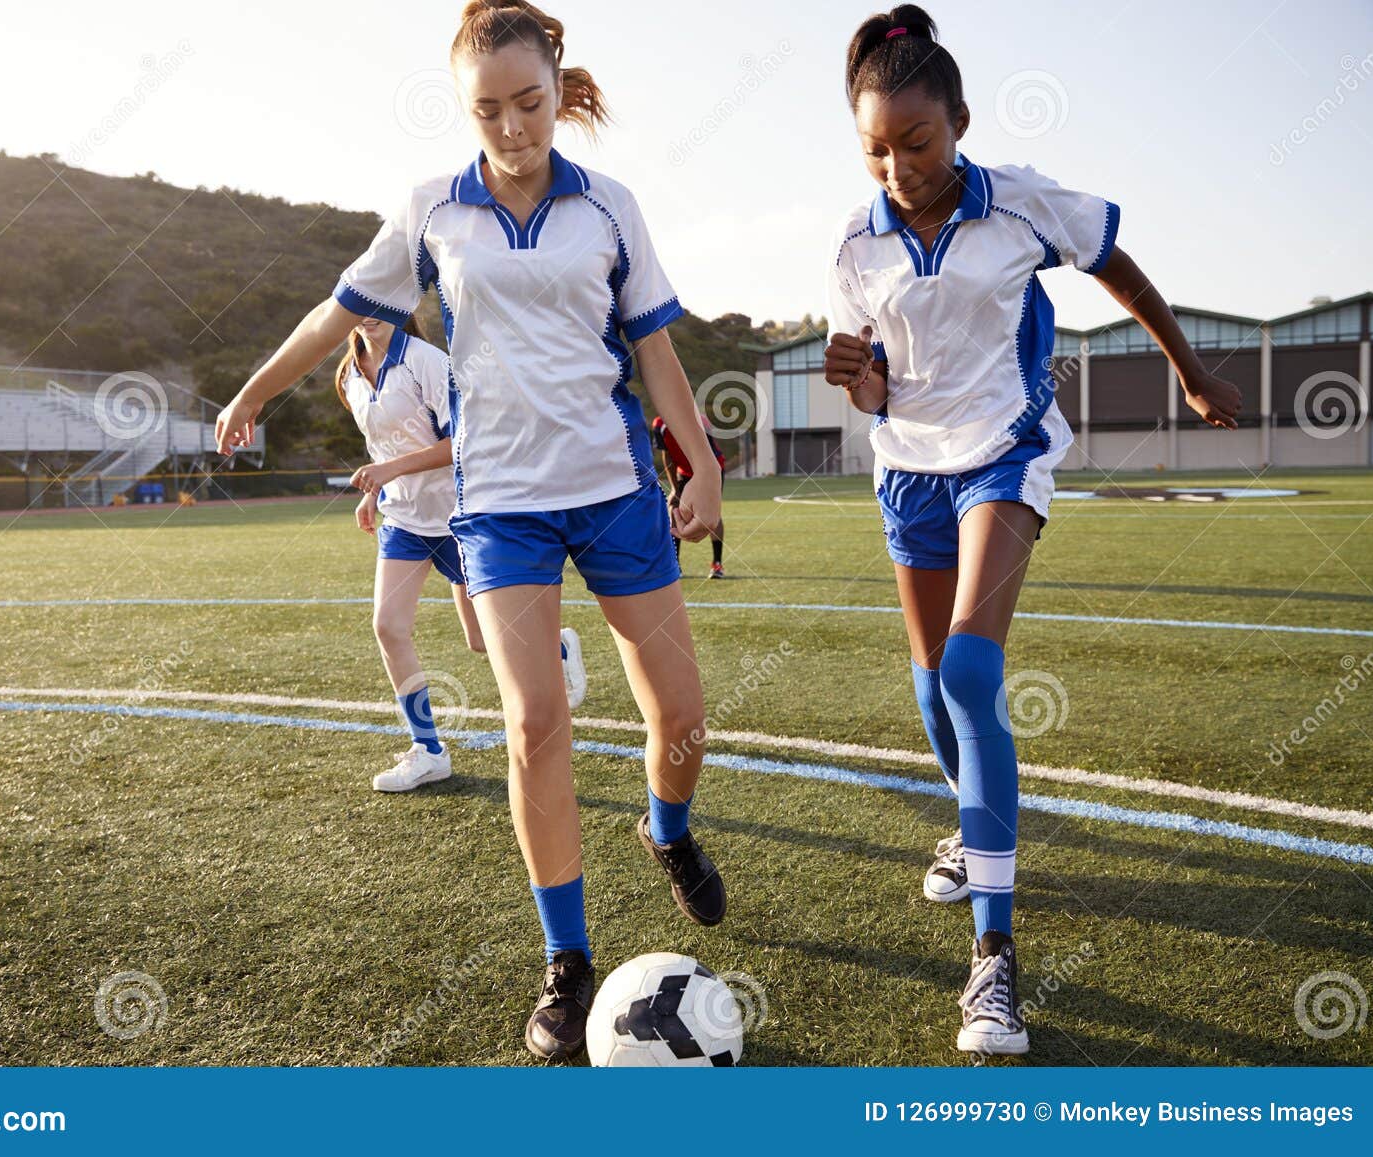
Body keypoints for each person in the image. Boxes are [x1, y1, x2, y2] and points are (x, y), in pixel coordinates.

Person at [216, 0, 727, 1062]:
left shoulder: (611, 206)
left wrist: (705, 464)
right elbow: (332, 311)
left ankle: (666, 829)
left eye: (529, 103)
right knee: (536, 718)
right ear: (465, 109)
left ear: (557, 88)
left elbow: (658, 357)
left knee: (680, 715)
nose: (511, 127)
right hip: (497, 502)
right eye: (487, 109)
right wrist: (256, 390)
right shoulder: (430, 210)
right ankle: (566, 961)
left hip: (615, 485)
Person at [826, 5, 1242, 1056]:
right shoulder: (853, 244)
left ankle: (995, 961)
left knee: (968, 675)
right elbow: (878, 387)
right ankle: (977, 833)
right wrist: (861, 381)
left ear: (958, 122)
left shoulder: (1021, 204)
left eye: (916, 143)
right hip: (908, 472)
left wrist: (1189, 370)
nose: (899, 166)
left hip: (1004, 456)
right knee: (927, 687)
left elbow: (1119, 266)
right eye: (877, 149)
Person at [337, 315, 587, 791]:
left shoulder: (430, 363)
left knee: (480, 639)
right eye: (360, 300)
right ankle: (428, 750)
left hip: (460, 515)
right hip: (405, 521)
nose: (368, 310)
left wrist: (388, 470)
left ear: (398, 304)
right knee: (388, 627)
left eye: (381, 298)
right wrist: (374, 492)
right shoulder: (349, 373)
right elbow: (380, 444)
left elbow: (462, 444)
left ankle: (558, 647)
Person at [651, 413, 727, 578]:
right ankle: (675, 564)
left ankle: (717, 564)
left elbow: (710, 454)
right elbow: (667, 455)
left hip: (710, 469)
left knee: (712, 514)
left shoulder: (699, 419)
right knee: (675, 509)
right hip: (683, 471)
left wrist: (705, 479)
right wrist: (674, 488)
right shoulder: (659, 424)